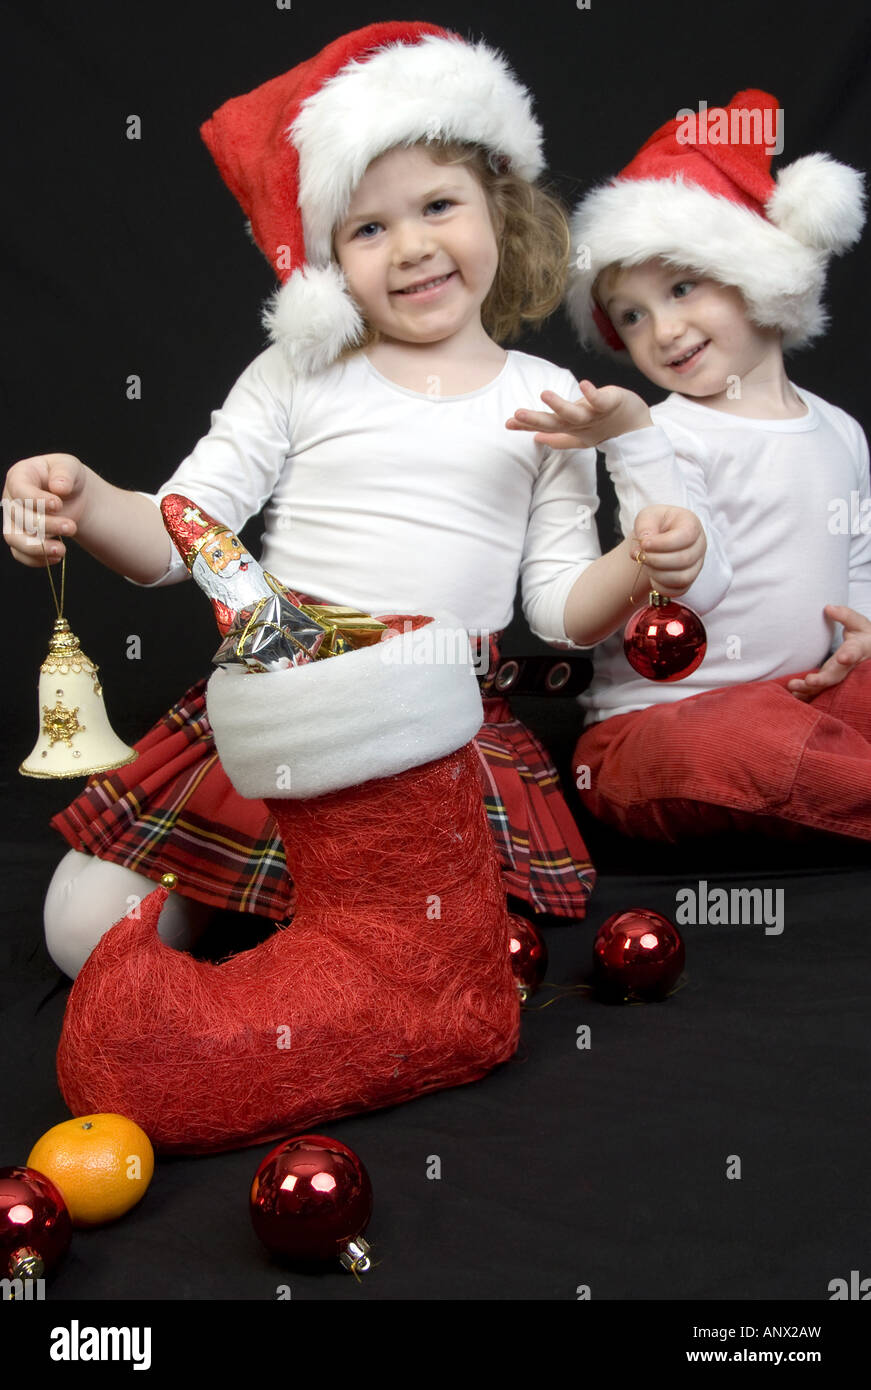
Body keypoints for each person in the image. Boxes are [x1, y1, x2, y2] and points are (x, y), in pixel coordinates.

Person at [5, 22, 704, 977]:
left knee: (424, 941)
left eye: (438, 205)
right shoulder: (297, 374)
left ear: (497, 207)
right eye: (369, 227)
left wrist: (639, 562)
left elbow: (560, 612)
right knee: (83, 934)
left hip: (436, 722)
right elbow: (181, 536)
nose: (412, 247)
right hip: (282, 710)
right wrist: (85, 499)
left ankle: (323, 965)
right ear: (327, 259)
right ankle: (267, 957)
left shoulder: (543, 401)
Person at [508, 88, 871, 844]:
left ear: (759, 274)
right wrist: (633, 440)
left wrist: (862, 628)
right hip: (661, 727)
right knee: (742, 742)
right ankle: (834, 781)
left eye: (680, 288)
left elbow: (858, 552)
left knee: (827, 713)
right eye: (630, 315)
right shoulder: (668, 437)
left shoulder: (838, 430)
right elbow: (695, 592)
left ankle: (831, 773)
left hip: (805, 696)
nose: (661, 330)